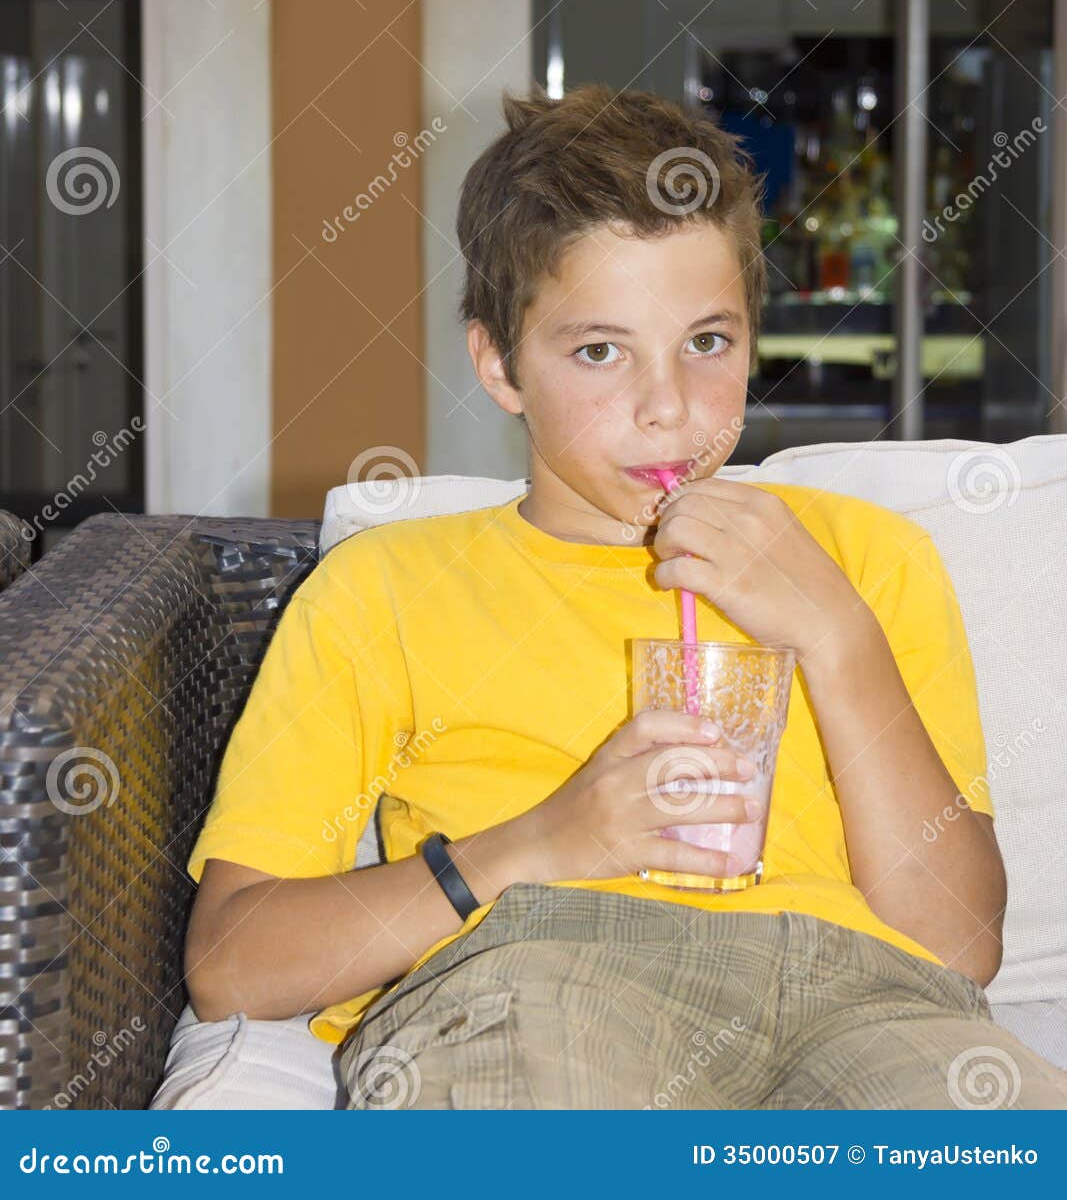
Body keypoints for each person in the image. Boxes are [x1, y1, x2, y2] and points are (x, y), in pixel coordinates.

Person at [181, 85, 1067, 1110]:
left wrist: (833, 634)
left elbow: (957, 944)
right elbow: (233, 963)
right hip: (541, 973)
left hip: (868, 998)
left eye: (707, 342)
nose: (667, 408)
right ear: (500, 364)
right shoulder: (384, 587)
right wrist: (546, 841)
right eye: (598, 350)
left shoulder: (866, 558)